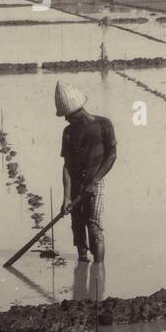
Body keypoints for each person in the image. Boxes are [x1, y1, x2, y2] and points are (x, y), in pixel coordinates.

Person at [56, 81, 117, 263]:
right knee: (77, 225)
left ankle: (98, 271)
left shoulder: (104, 124)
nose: (66, 120)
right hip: (76, 185)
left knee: (94, 226)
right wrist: (66, 197)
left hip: (96, 183)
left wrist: (94, 181)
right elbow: (67, 166)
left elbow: (112, 156)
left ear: (77, 112)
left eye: (68, 116)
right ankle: (83, 263)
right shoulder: (68, 132)